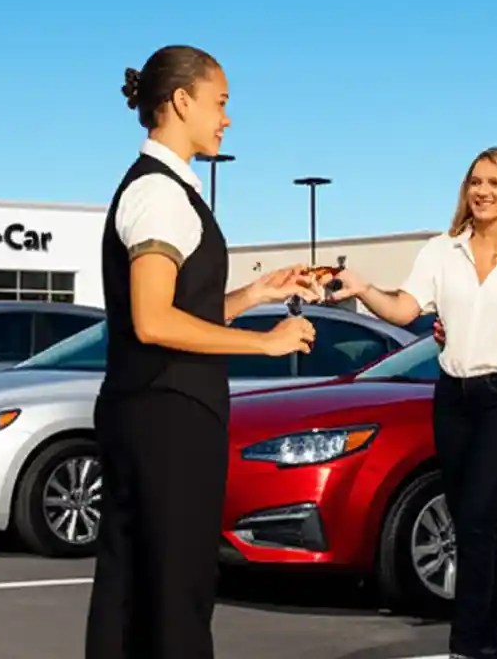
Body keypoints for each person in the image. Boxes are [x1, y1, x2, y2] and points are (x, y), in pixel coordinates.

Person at [85, 44, 320, 659]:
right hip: (167, 419)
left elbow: (177, 311)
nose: (227, 118)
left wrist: (253, 293)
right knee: (175, 591)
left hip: (152, 412)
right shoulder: (159, 195)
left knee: (140, 587)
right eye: (220, 103)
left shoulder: (163, 190)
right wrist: (265, 344)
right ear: (181, 101)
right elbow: (154, 319)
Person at [328, 146, 497, 658]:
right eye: (475, 182)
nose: (483, 191)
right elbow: (404, 310)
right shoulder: (442, 249)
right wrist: (362, 287)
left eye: (494, 182)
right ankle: (487, 637)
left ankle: (468, 643)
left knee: (477, 515)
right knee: (476, 521)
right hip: (454, 397)